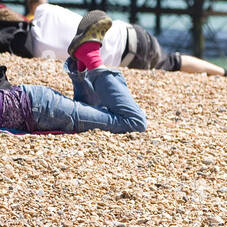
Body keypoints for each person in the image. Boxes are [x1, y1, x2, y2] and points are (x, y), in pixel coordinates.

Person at [22, 0, 227, 78]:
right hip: (133, 34)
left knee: (169, 63)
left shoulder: (37, 45)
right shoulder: (46, 12)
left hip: (129, 57)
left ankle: (226, 74)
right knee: (172, 60)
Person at [1, 12, 147, 135]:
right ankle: (81, 66)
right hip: (33, 104)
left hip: (37, 110)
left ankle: (90, 55)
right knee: (99, 111)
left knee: (134, 122)